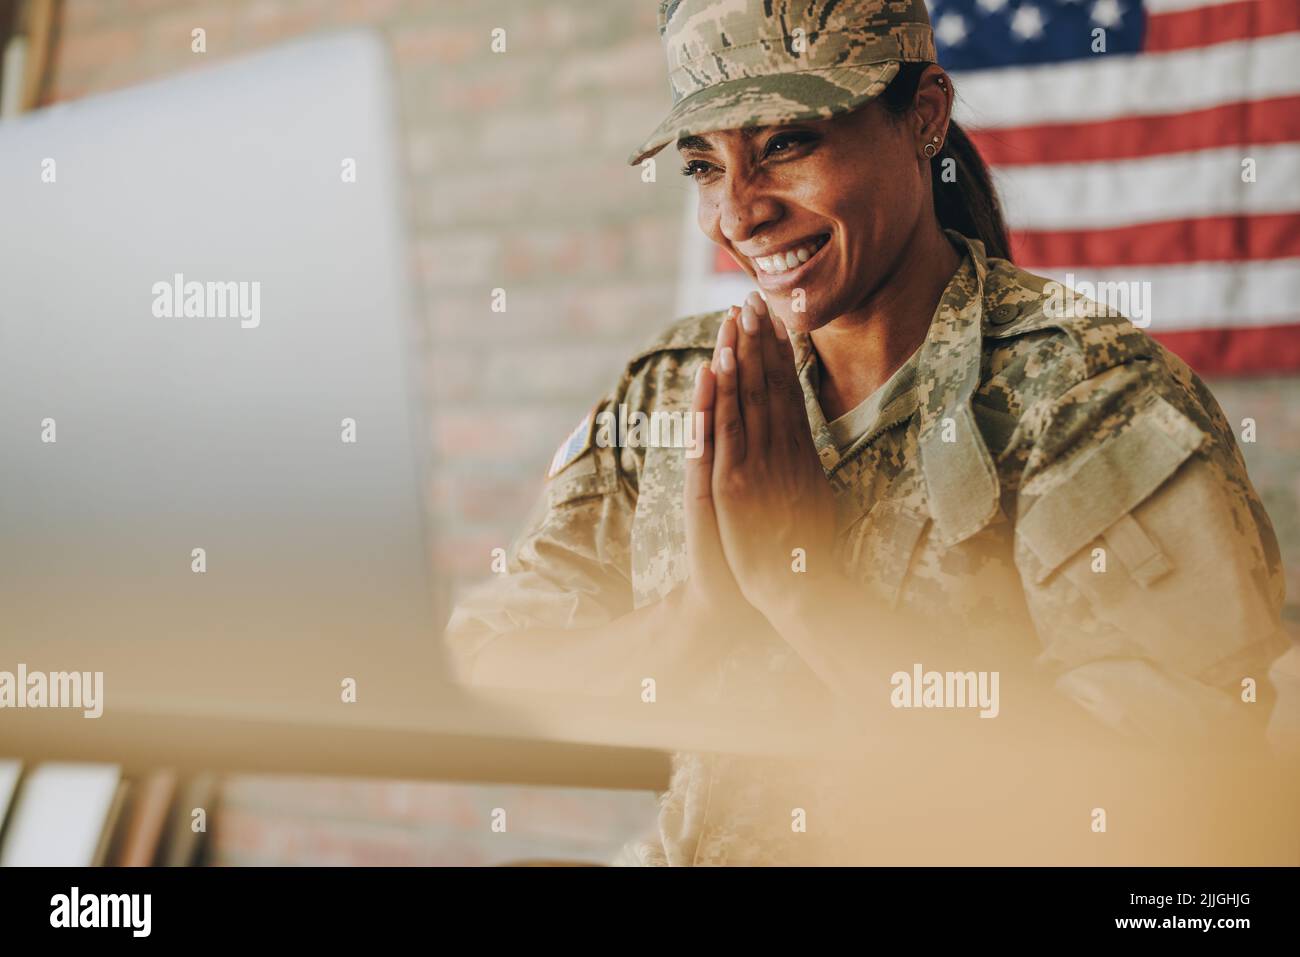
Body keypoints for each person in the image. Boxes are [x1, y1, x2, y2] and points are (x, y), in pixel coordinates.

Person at [445, 0, 1292, 865]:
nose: (739, 213)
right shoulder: (678, 387)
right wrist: (700, 615)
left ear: (924, 117)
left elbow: (1162, 810)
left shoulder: (1089, 401)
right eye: (704, 165)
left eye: (786, 144)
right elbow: (492, 671)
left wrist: (804, 593)